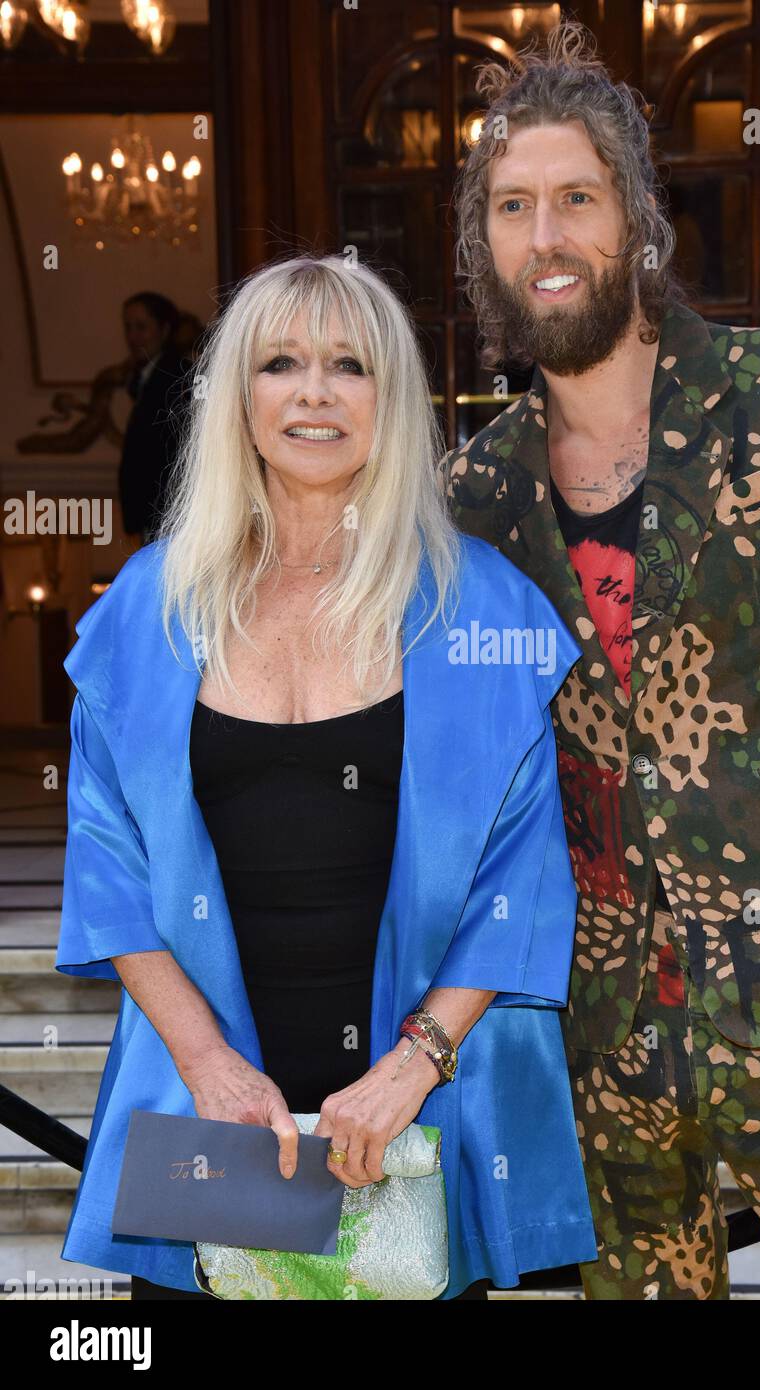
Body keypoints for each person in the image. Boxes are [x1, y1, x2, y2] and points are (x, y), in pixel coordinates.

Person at [442, 19, 760, 1299]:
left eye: (577, 197)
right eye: (513, 207)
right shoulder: (470, 496)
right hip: (602, 1037)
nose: (547, 235)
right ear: (485, 248)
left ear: (635, 219)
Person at [55, 252, 598, 1300]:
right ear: (234, 397)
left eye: (349, 364)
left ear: (389, 400)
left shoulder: (479, 610)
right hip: (209, 1106)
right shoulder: (145, 609)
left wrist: (406, 1071)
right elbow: (108, 864)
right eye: (280, 364)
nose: (313, 391)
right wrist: (211, 1067)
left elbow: (521, 877)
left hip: (418, 1110)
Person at [118, 291, 191, 541]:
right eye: (128, 327)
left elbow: (175, 451)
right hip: (157, 516)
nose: (132, 337)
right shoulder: (149, 376)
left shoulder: (176, 377)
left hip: (169, 516)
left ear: (164, 329)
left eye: (141, 327)